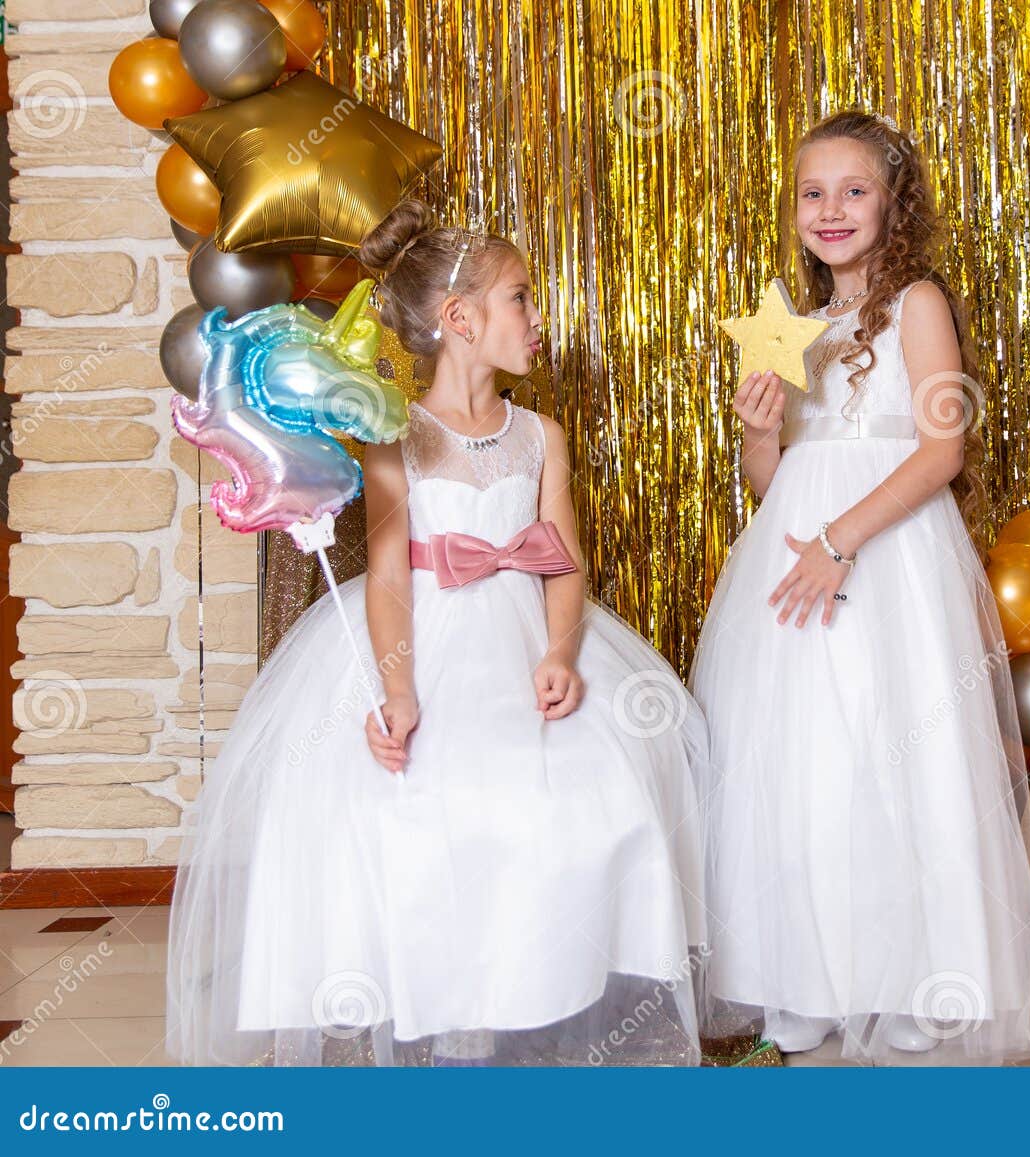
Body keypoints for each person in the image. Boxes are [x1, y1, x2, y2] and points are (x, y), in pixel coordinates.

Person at [166, 201, 711, 1067]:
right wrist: (399, 688)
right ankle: (440, 1010)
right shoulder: (398, 440)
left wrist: (562, 653)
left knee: (588, 796)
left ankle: (541, 991)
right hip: (421, 642)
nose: (538, 319)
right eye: (522, 300)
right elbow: (388, 575)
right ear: (461, 320)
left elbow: (561, 562)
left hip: (524, 638)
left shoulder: (542, 437)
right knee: (416, 812)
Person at [691, 111, 1030, 1063]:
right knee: (803, 763)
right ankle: (807, 981)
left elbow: (942, 450)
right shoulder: (791, 324)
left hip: (882, 558)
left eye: (854, 190)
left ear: (893, 202)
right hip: (793, 559)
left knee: (897, 756)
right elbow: (772, 482)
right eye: (813, 193)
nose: (831, 210)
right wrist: (760, 428)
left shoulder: (917, 305)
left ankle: (914, 981)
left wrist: (839, 540)